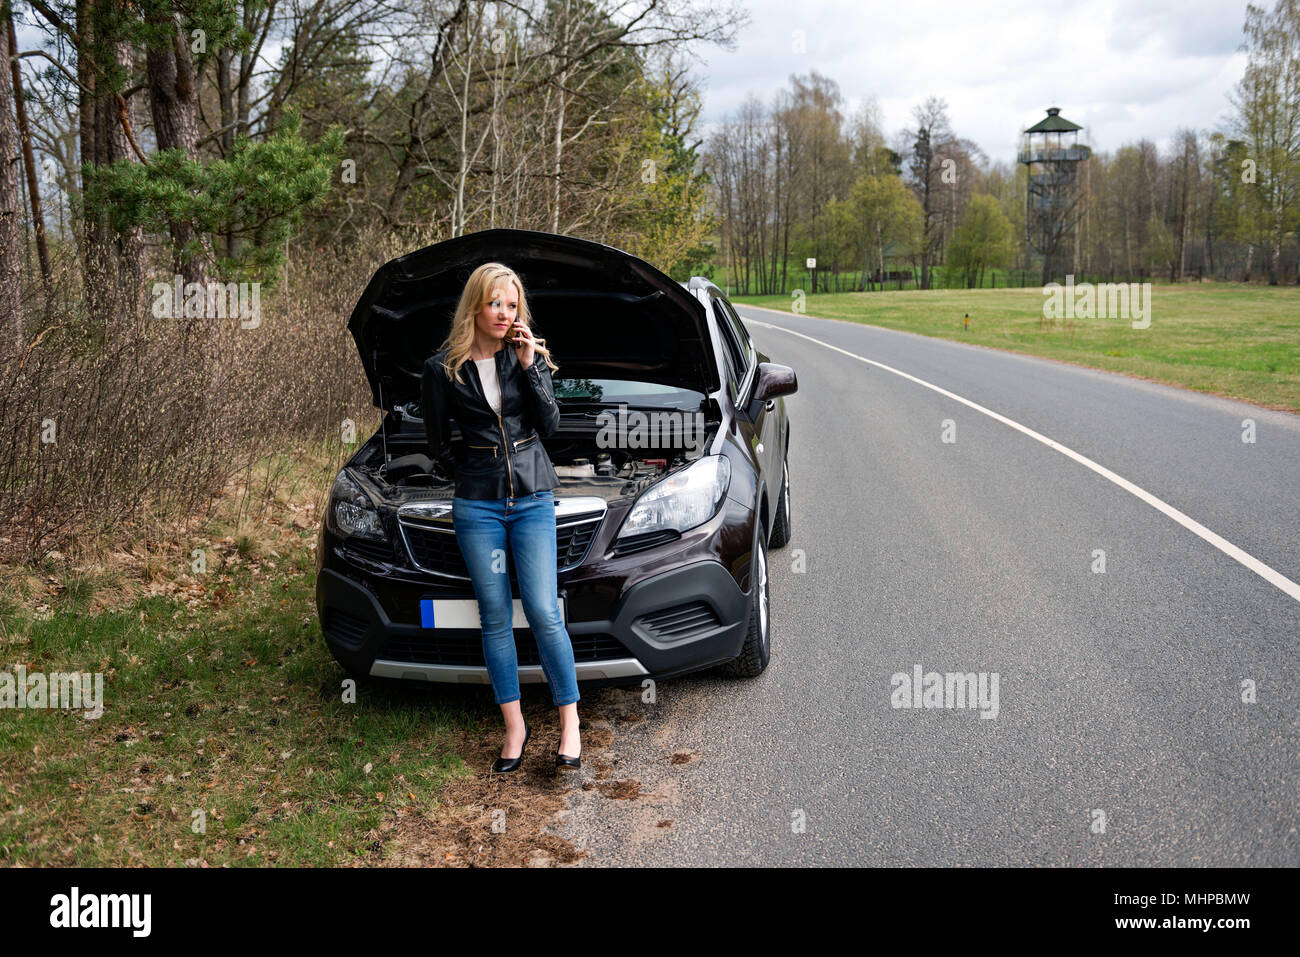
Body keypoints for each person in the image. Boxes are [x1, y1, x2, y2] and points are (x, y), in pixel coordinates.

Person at [420, 262, 581, 773]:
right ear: (476, 305)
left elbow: (551, 425)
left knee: (541, 609)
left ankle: (569, 724)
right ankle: (515, 727)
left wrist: (532, 365)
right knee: (494, 617)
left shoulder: (524, 357)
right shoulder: (442, 368)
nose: (504, 313)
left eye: (512, 305)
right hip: (478, 506)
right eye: (495, 303)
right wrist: (474, 472)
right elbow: (437, 444)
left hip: (532, 498)